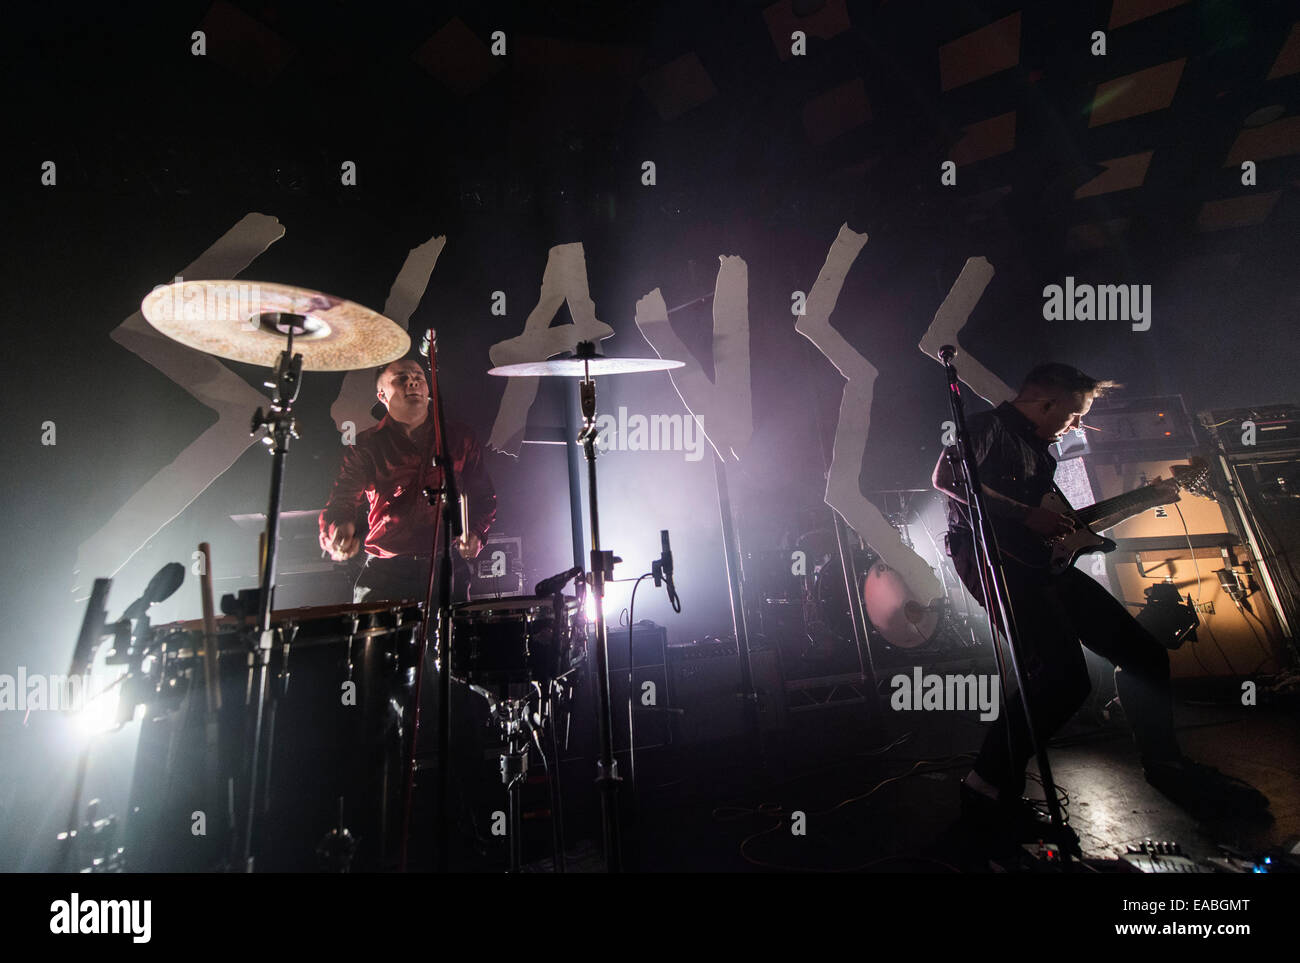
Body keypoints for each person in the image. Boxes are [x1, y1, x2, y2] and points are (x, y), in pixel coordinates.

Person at [932, 363, 1266, 838]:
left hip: (1042, 563)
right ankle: (983, 789)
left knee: (1144, 653)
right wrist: (1027, 515)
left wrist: (1135, 502)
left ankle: (1165, 763)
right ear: (1045, 402)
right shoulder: (988, 426)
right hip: (993, 560)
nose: (1072, 426)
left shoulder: (1038, 451)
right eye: (1071, 414)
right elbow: (949, 479)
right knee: (1061, 678)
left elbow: (1057, 525)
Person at [319, 358, 497, 604]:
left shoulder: (459, 438)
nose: (413, 381)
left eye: (419, 377)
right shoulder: (366, 446)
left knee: (453, 642)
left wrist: (476, 532)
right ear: (382, 395)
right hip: (386, 573)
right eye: (401, 378)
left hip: (446, 568)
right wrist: (338, 528)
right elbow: (342, 500)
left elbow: (484, 497)